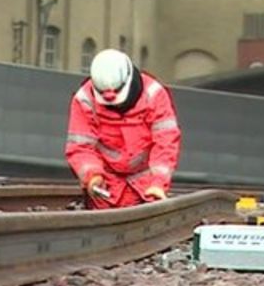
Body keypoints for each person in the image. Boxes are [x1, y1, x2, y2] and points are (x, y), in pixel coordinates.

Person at [65, 48, 181, 209]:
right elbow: (80, 147)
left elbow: (166, 142)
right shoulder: (85, 100)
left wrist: (158, 183)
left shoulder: (154, 95)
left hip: (146, 188)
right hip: (107, 188)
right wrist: (92, 176)